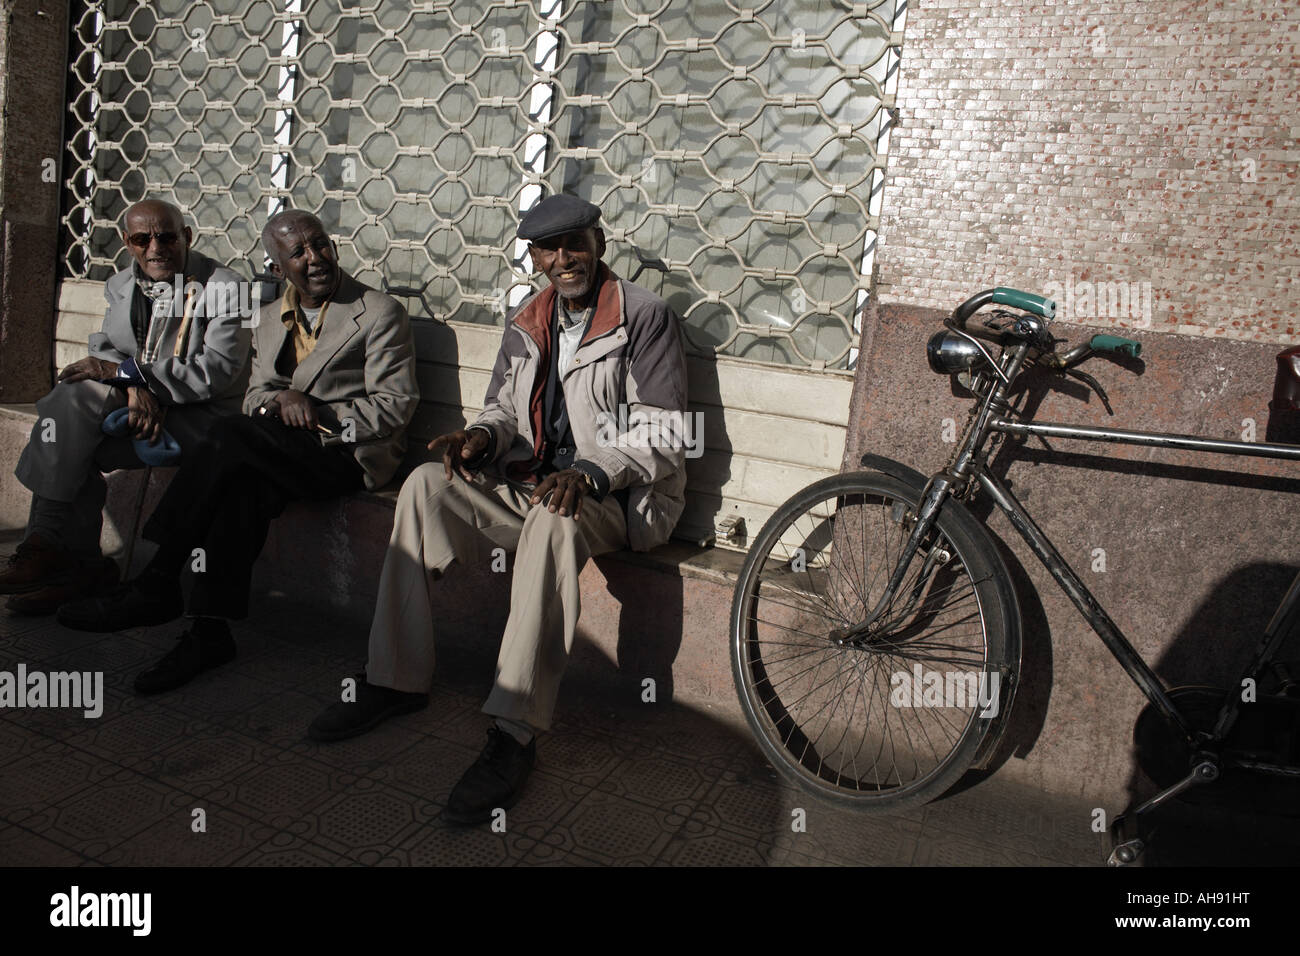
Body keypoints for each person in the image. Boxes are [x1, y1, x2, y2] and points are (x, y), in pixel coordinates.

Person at [307, 194, 689, 825]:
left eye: (575, 243)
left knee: (554, 518)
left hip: (614, 498)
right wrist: (479, 437)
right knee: (426, 484)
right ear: (534, 257)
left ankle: (513, 730)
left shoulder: (644, 318)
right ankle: (394, 679)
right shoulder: (528, 317)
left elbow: (667, 432)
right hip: (535, 482)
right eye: (548, 249)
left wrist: (591, 472)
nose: (563, 259)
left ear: (600, 243)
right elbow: (504, 409)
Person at [57, 209, 419, 697]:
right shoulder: (270, 317)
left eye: (320, 245)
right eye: (297, 252)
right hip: (276, 447)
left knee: (228, 437)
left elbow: (394, 409)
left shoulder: (378, 313)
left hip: (349, 453)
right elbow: (255, 395)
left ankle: (157, 580)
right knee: (239, 484)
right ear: (276, 268)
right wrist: (277, 402)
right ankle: (208, 633)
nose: (314, 259)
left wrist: (316, 413)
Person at [0, 199, 251, 614]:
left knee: (73, 443)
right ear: (126, 243)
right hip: (137, 406)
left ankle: (65, 559)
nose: (156, 248)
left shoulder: (229, 287)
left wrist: (135, 378)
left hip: (201, 417)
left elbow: (218, 370)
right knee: (72, 401)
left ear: (187, 236)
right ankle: (57, 554)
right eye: (142, 238)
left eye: (167, 236)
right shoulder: (120, 284)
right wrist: (133, 384)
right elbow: (105, 349)